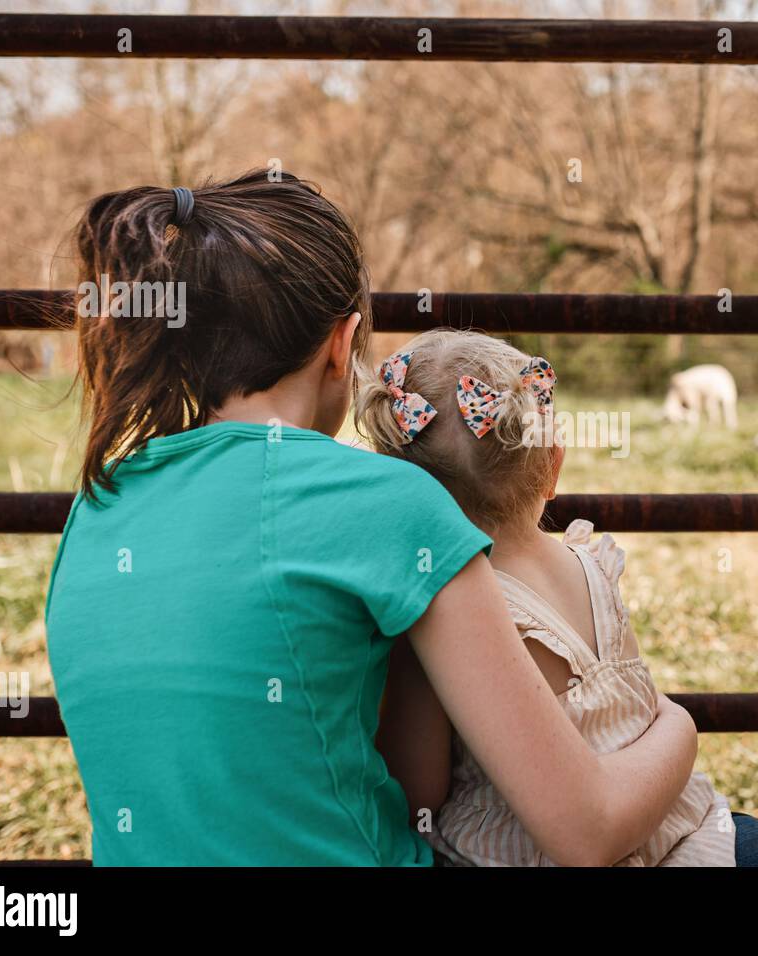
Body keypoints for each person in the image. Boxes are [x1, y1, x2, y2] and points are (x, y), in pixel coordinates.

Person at [45, 170, 698, 866]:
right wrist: (680, 723)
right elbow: (586, 830)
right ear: (342, 343)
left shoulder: (98, 501)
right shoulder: (386, 499)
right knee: (755, 845)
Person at [361, 328, 758, 866]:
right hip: (675, 836)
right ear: (552, 467)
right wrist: (680, 727)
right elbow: (640, 705)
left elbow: (418, 791)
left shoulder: (442, 609)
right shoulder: (594, 566)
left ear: (403, 494)